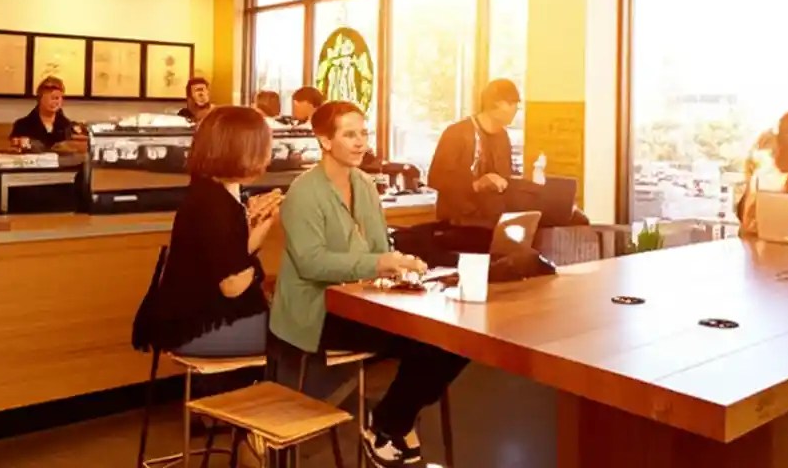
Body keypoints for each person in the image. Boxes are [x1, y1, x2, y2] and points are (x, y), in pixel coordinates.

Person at [269, 101, 468, 468]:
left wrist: (401, 267)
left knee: (457, 337)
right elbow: (313, 263)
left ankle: (391, 419)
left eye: (363, 132)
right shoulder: (302, 194)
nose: (361, 142)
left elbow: (379, 249)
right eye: (349, 134)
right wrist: (381, 263)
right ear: (325, 141)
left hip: (365, 299)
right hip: (318, 311)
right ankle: (392, 422)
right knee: (430, 341)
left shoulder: (364, 184)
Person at [132, 106, 282, 357]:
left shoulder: (210, 191)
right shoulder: (215, 204)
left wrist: (264, 221)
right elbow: (232, 284)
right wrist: (258, 270)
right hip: (202, 328)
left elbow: (230, 256)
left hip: (187, 322)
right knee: (302, 335)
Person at [427, 78, 520, 229]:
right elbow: (436, 178)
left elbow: (505, 177)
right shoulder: (456, 133)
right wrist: (477, 185)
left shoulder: (503, 137)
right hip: (456, 226)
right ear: (496, 103)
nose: (515, 109)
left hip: (492, 225)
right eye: (511, 103)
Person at [9, 76, 82, 149]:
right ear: (39, 99)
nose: (54, 102)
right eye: (50, 98)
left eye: (57, 98)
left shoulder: (67, 126)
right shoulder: (22, 125)